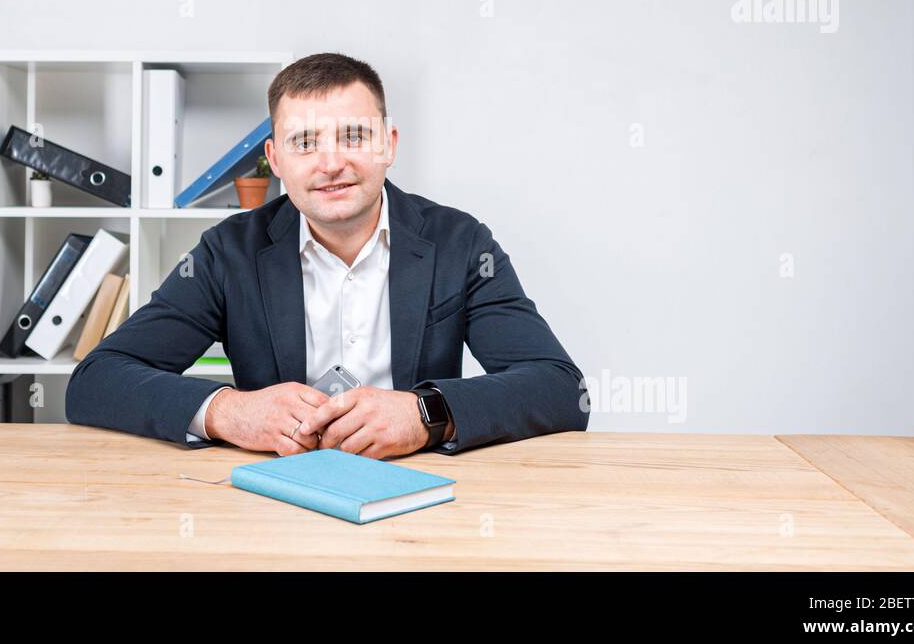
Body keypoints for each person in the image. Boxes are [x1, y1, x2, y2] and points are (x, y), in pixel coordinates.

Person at [66, 52, 588, 458]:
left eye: (354, 136)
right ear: (275, 159)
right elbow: (96, 381)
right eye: (305, 142)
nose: (331, 163)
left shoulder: (461, 243)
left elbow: (560, 389)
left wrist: (427, 412)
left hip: (420, 497)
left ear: (388, 144)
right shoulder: (229, 251)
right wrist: (228, 410)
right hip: (273, 492)